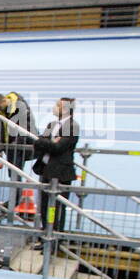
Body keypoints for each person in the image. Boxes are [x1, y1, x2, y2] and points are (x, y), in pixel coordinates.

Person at [32, 97, 79, 243]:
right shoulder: (52, 125)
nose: (53, 108)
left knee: (57, 209)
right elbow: (40, 142)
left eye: (56, 105)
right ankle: (45, 237)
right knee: (45, 207)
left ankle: (55, 240)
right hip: (46, 171)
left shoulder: (72, 126)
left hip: (60, 173)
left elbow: (58, 147)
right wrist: (47, 142)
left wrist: (45, 142)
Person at [0, 92, 35, 216]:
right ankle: (13, 202)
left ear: (4, 100)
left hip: (21, 145)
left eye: (0, 107)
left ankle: (13, 202)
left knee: (15, 174)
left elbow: (26, 127)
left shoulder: (20, 106)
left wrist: (15, 143)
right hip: (10, 146)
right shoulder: (0, 111)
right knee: (13, 174)